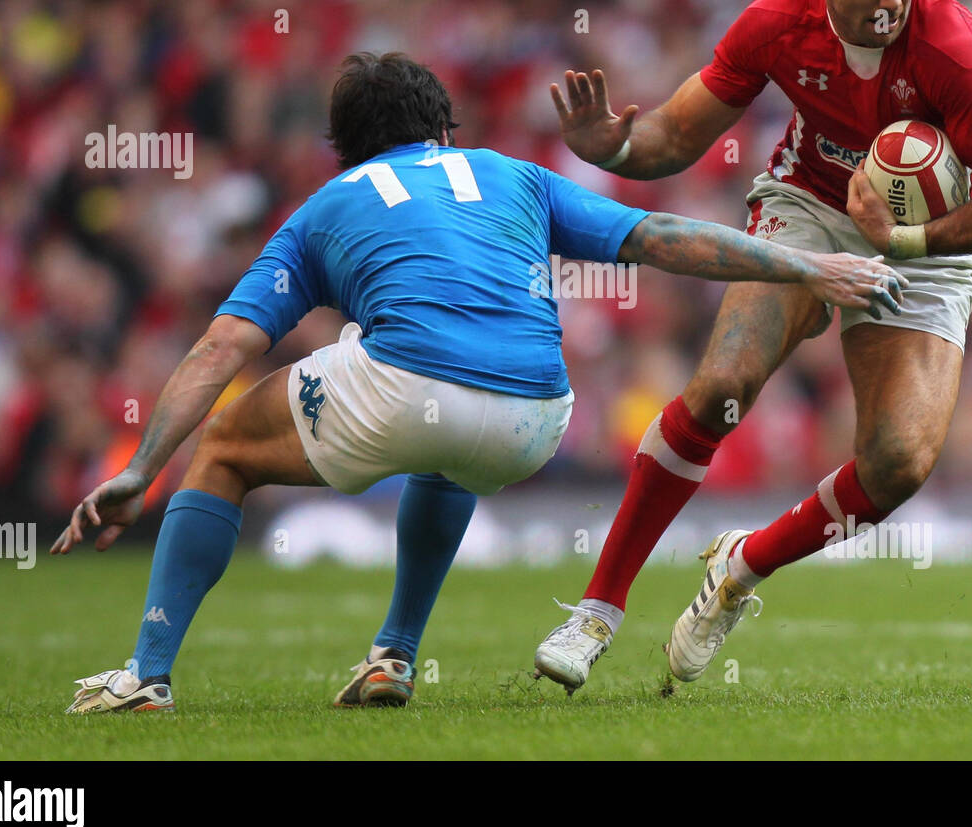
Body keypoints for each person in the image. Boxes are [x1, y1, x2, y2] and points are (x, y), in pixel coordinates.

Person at [51, 51, 905, 712]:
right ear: (445, 128)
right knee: (446, 450)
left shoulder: (327, 203)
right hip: (537, 416)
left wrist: (142, 467)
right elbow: (662, 235)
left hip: (409, 389)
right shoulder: (514, 174)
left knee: (229, 446)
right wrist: (806, 265)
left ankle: (147, 674)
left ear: (344, 148)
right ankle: (393, 655)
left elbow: (219, 347)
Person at [533, 0, 972, 692]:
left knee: (896, 464)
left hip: (924, 239)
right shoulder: (776, 24)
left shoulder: (957, 45)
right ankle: (596, 611)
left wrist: (906, 238)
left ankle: (742, 567)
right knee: (722, 386)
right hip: (808, 204)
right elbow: (674, 134)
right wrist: (616, 151)